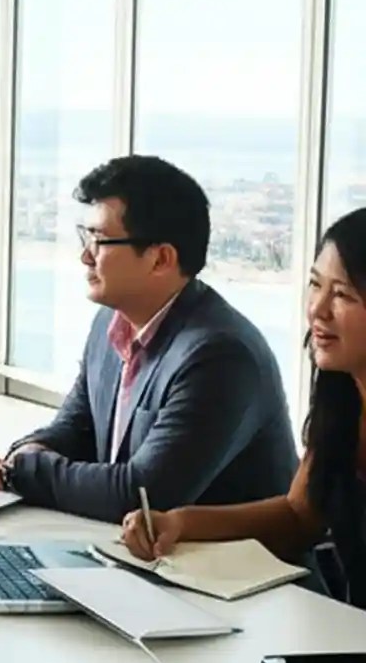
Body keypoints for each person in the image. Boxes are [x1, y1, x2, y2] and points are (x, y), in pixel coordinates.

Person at [0, 155, 296, 523]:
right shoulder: (110, 323)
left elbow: (141, 492)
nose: (84, 256)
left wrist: (15, 474)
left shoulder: (220, 355)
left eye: (99, 241)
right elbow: (76, 428)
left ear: (160, 259)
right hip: (143, 557)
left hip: (232, 575)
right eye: (86, 237)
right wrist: (21, 456)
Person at [122, 208, 366, 607]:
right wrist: (180, 522)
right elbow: (297, 518)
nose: (317, 310)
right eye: (314, 285)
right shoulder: (343, 394)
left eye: (342, 295)